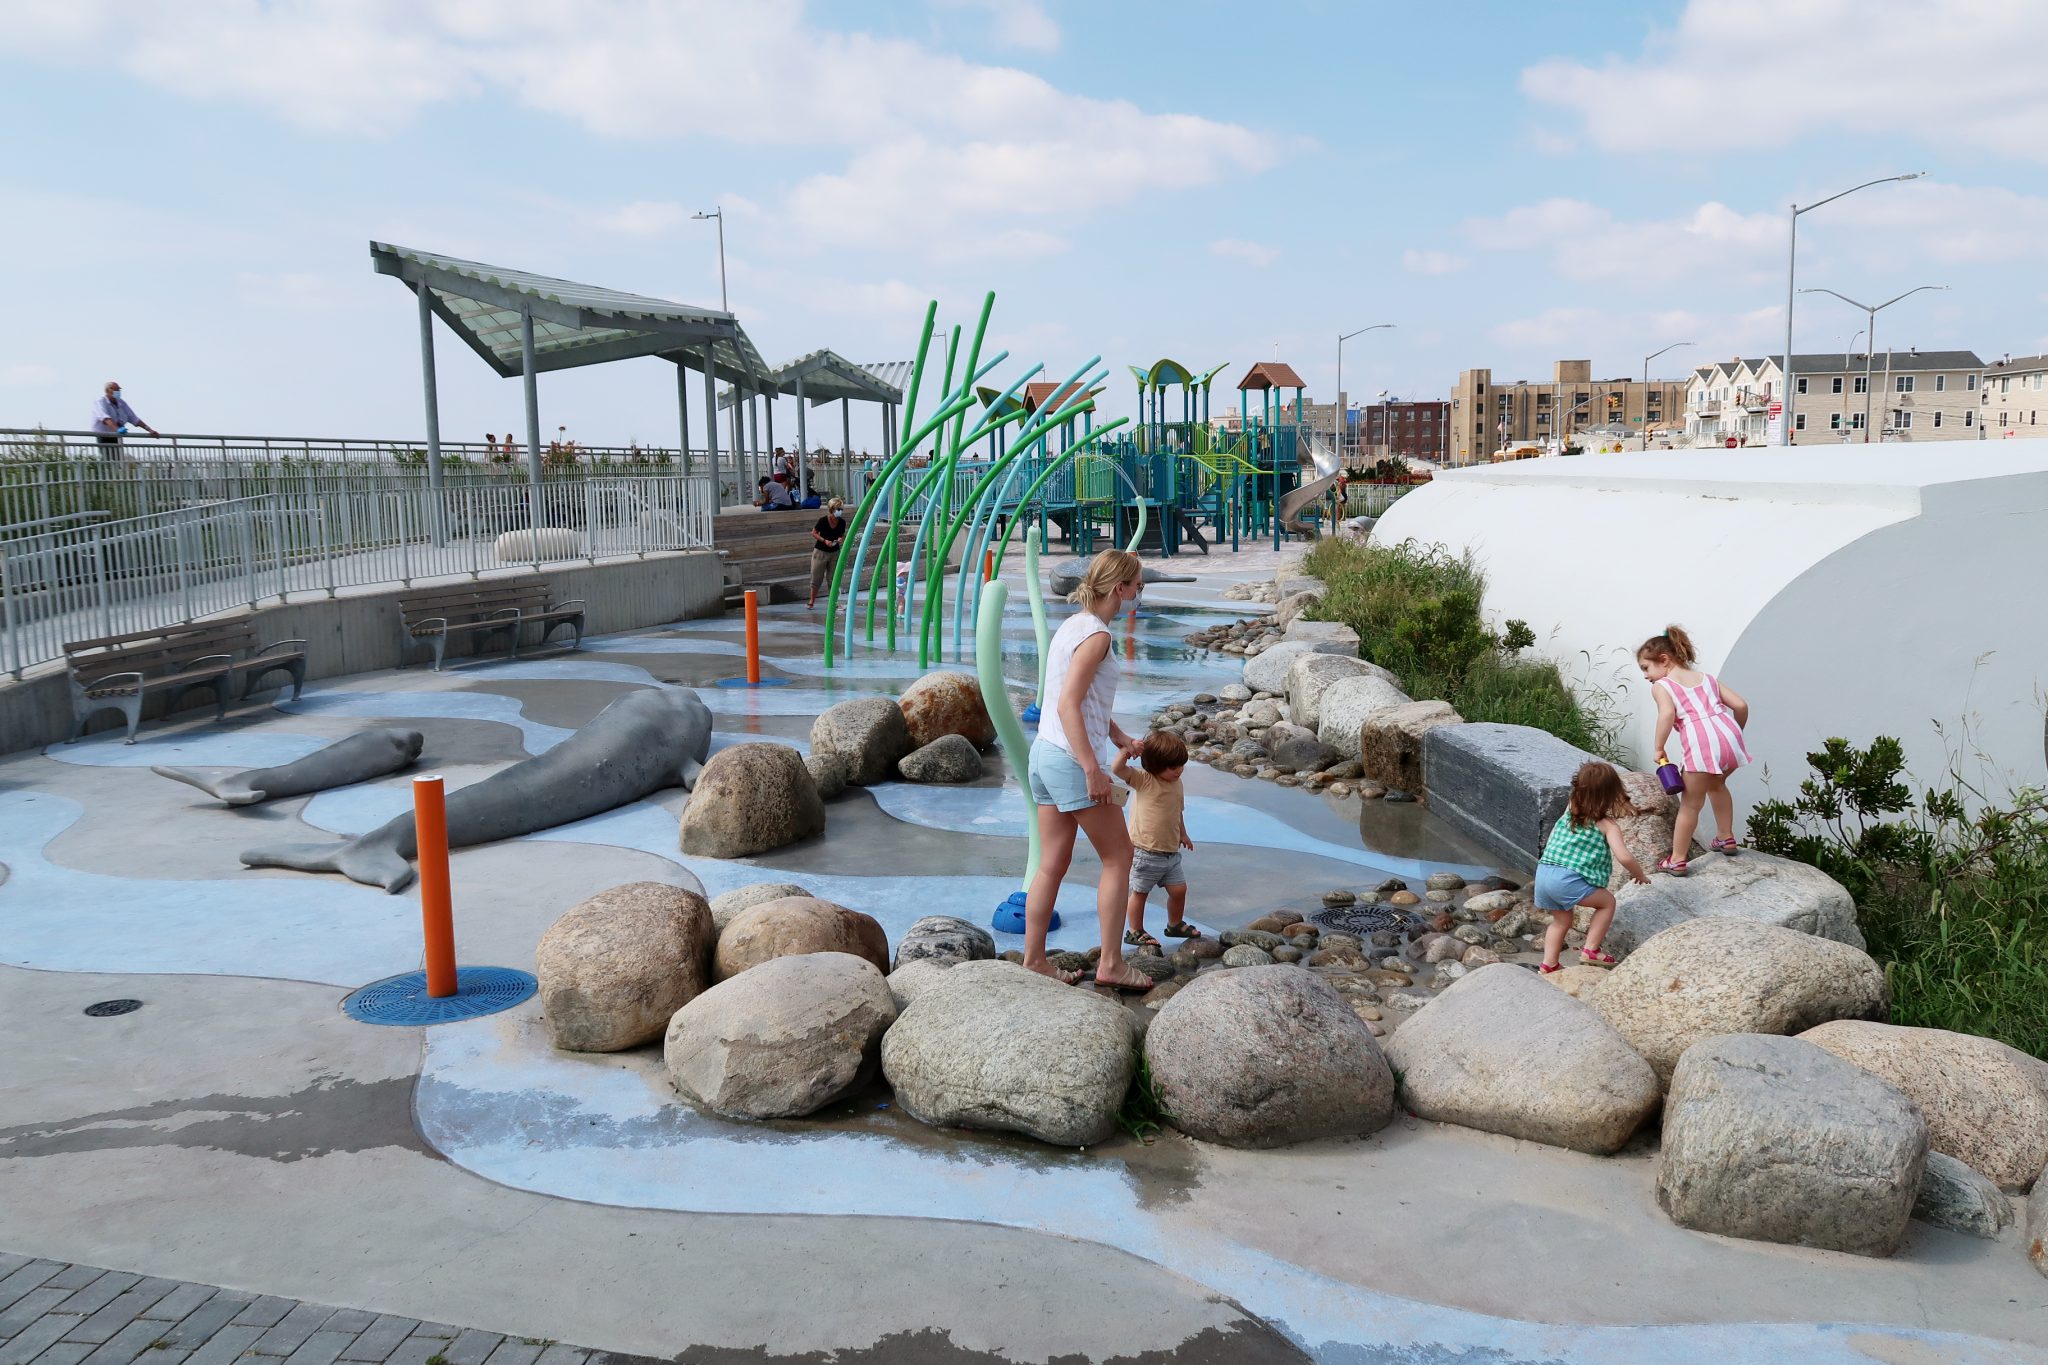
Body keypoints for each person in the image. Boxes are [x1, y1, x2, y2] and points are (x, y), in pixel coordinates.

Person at [1023, 548, 1151, 991]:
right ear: (1120, 588)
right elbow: (1067, 703)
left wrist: (1116, 736)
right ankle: (1111, 964)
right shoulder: (1097, 636)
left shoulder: (1073, 626)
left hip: (1043, 754)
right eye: (1137, 586)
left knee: (1051, 865)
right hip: (1069, 760)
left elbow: (1077, 697)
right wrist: (1092, 768)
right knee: (1120, 858)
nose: (1140, 593)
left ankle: (1034, 959)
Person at [1638, 625, 1751, 873]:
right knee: (1717, 784)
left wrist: (1658, 747)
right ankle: (1726, 836)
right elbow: (1741, 705)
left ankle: (1677, 859)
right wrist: (1736, 733)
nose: (1646, 676)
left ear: (1664, 660)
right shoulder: (1708, 679)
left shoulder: (1662, 686)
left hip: (1703, 745)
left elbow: (1667, 714)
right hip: (1729, 738)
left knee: (1690, 803)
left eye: (1646, 668)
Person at [1533, 761, 1650, 973]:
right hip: (1566, 880)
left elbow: (1587, 791)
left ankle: (1548, 965)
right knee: (1607, 902)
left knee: (1561, 920)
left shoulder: (1571, 808)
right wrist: (1639, 874)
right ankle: (1591, 950)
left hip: (1543, 874)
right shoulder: (1607, 825)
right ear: (1613, 795)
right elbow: (1623, 857)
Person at [1112, 730, 1200, 948]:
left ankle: (1174, 924)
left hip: (1170, 852)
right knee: (1140, 893)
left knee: (1179, 890)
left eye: (1181, 765)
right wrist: (1126, 750)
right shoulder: (1144, 780)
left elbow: (1176, 811)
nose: (1178, 771)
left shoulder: (1176, 784)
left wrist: (1183, 833)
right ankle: (1134, 930)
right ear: (1154, 765)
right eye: (1172, 767)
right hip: (1145, 851)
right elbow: (1117, 769)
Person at [92, 381, 159, 457]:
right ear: (107, 391)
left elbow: (134, 418)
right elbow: (105, 418)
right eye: (115, 390)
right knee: (108, 459)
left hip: (115, 436)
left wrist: (149, 430)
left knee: (117, 459)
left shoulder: (121, 403)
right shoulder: (100, 401)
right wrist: (118, 429)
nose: (117, 392)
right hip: (103, 435)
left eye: (118, 390)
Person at [807, 498, 846, 609]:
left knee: (833, 578)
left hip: (834, 551)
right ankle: (812, 601)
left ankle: (834, 602)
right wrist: (824, 540)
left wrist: (840, 539)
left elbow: (842, 534)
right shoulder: (823, 520)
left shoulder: (842, 522)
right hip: (821, 551)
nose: (840, 511)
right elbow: (814, 533)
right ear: (832, 509)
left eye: (841, 509)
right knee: (816, 577)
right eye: (838, 509)